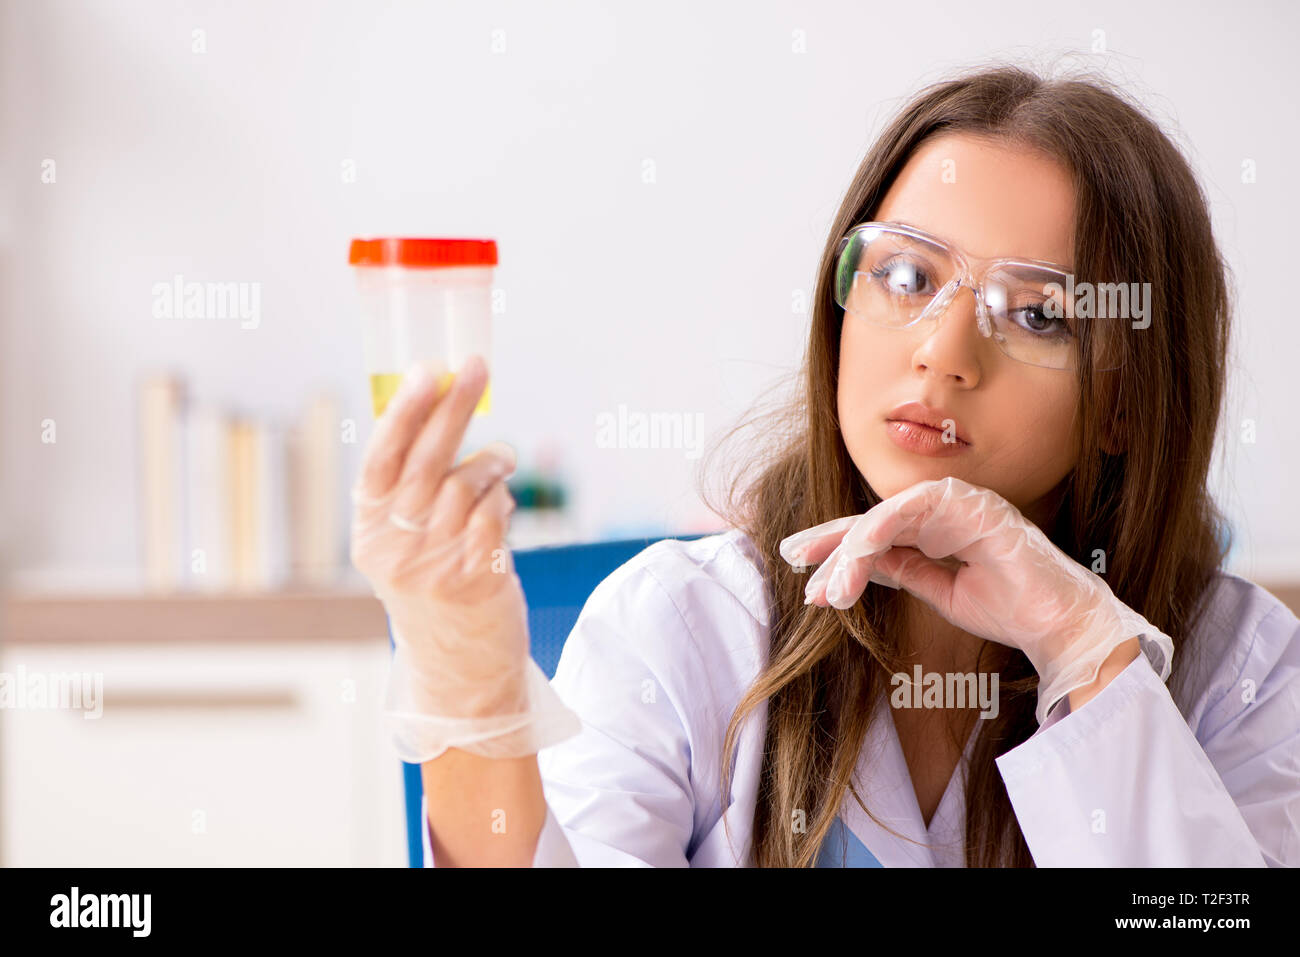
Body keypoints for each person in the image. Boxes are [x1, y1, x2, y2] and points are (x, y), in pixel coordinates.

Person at [349, 63, 1300, 867]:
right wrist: (468, 683)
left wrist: (1083, 650)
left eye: (1039, 313)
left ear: (1125, 403)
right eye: (908, 275)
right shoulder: (682, 628)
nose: (943, 351)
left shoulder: (1241, 670)